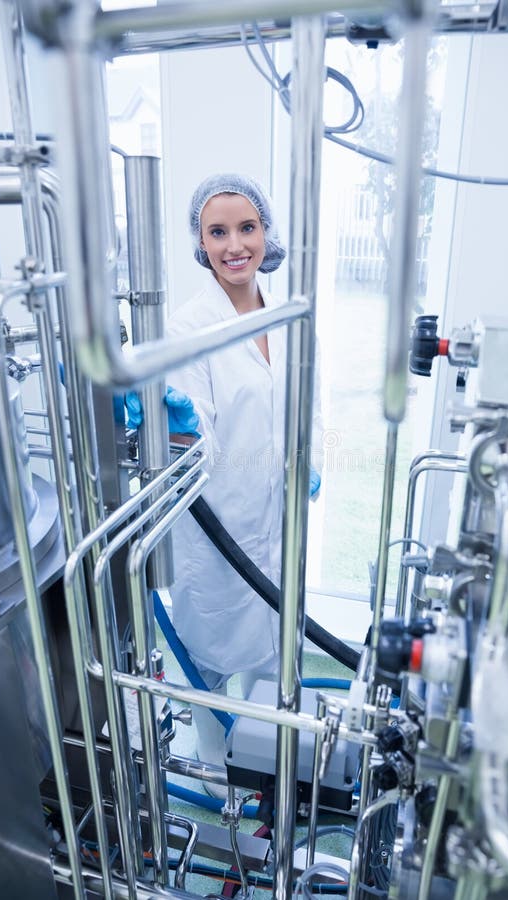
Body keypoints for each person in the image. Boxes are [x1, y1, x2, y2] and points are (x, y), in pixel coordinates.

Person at [165, 173, 322, 773]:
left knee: (276, 643)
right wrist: (182, 427)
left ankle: (264, 751)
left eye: (247, 227)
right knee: (206, 650)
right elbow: (197, 433)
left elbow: (309, 403)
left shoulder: (287, 315)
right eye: (218, 231)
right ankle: (211, 759)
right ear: (200, 242)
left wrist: (310, 460)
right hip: (218, 527)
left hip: (279, 516)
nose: (235, 245)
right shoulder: (188, 327)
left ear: (265, 232)